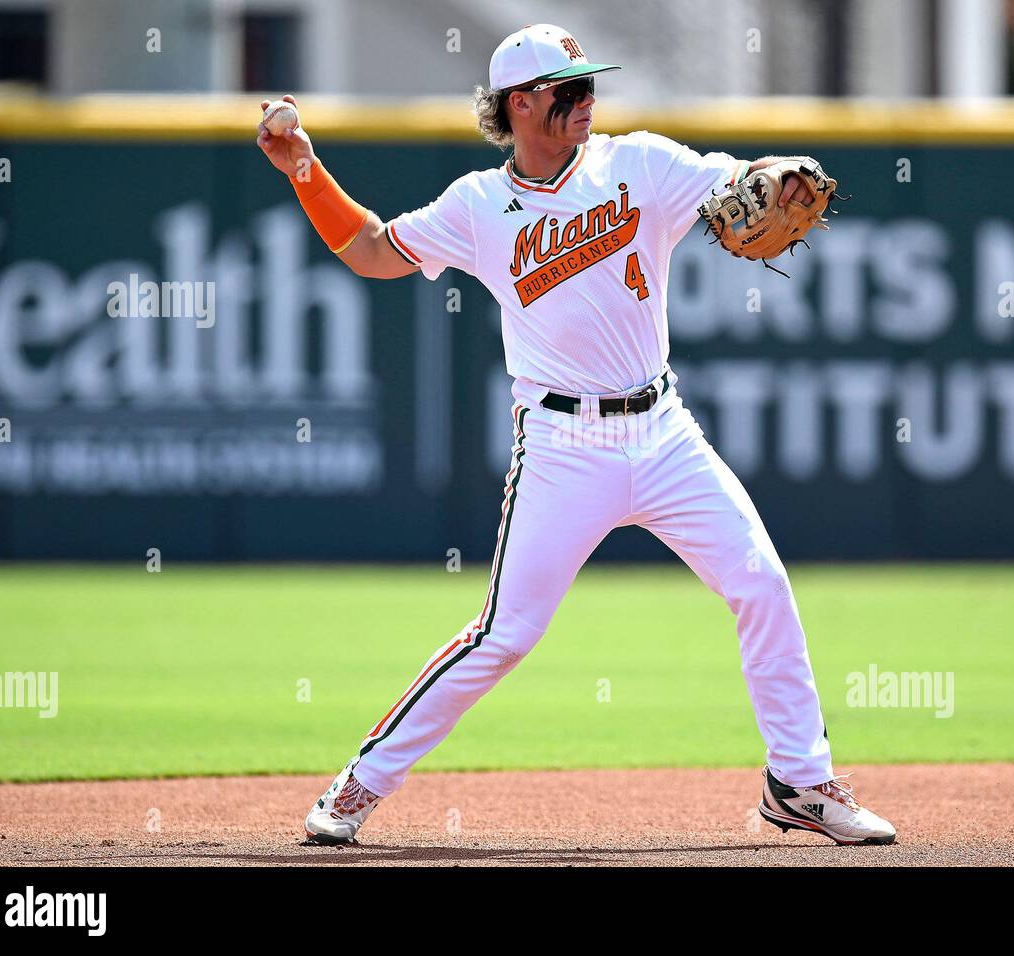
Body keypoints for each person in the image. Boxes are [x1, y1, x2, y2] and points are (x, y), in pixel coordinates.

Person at [256, 23, 896, 847]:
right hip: (562, 447)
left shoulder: (638, 164)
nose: (588, 100)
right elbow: (373, 252)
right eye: (570, 89)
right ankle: (359, 784)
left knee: (761, 583)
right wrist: (305, 170)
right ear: (521, 104)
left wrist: (766, 175)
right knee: (503, 635)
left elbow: (732, 181)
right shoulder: (479, 205)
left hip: (663, 432)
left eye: (591, 85)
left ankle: (801, 783)